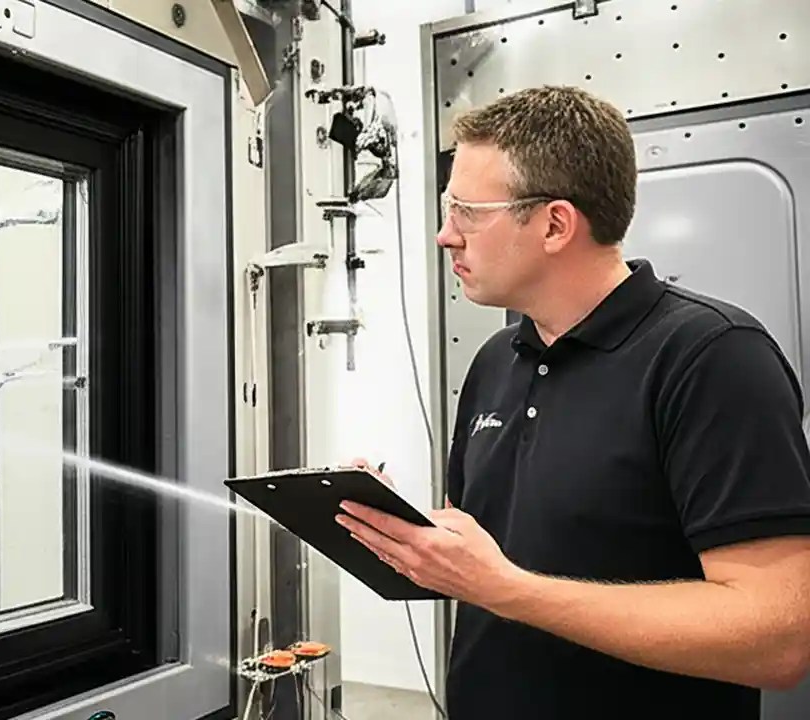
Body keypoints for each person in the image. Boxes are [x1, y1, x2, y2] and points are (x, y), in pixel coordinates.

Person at [335, 85, 810, 719]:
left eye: (467, 212)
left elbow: (776, 638)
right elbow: (490, 556)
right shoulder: (495, 362)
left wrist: (508, 590)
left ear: (556, 223)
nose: (446, 236)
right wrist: (401, 533)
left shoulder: (713, 358)